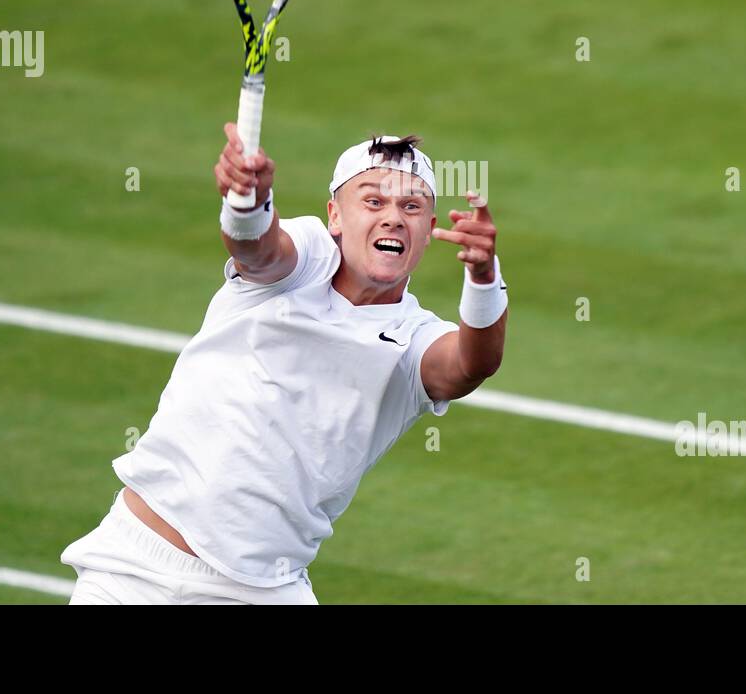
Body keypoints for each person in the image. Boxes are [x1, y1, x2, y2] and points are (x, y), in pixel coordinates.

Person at [60, 125, 508, 603]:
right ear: (335, 215)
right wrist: (247, 201)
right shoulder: (307, 255)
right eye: (374, 202)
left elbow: (470, 364)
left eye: (411, 206)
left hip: (266, 591)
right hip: (135, 569)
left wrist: (484, 277)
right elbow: (257, 248)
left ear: (429, 227)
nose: (394, 218)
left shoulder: (416, 340)